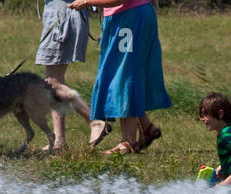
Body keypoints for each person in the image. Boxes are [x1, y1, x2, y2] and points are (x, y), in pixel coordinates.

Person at [73, 0, 170, 155]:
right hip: (127, 15)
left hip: (129, 17)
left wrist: (87, 2)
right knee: (123, 74)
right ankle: (146, 127)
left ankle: (128, 142)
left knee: (124, 76)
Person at [34, 0, 107, 149]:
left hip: (62, 18)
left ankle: (93, 120)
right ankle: (59, 140)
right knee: (53, 82)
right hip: (60, 15)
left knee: (52, 82)